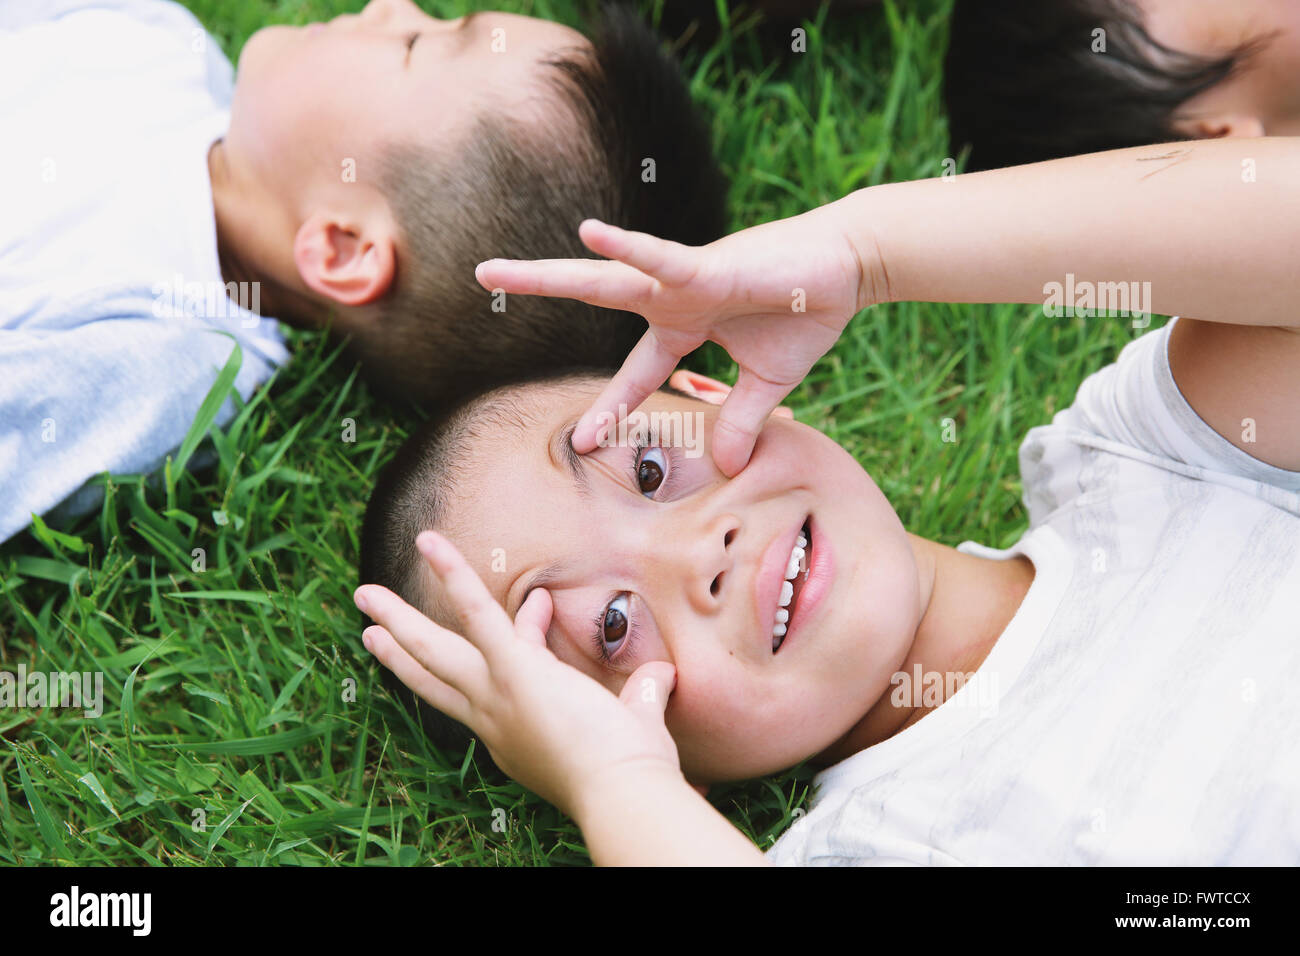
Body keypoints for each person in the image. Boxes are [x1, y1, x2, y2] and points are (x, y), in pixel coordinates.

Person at [356, 136, 1300, 864]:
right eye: (609, 625)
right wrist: (616, 783)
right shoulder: (884, 842)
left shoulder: (1146, 465)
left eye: (648, 471)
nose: (701, 555)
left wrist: (866, 250)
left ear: (713, 393)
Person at [0, 0, 726, 542]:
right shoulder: (158, 44)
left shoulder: (164, 356)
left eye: (415, 44)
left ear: (345, 250)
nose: (390, 7)